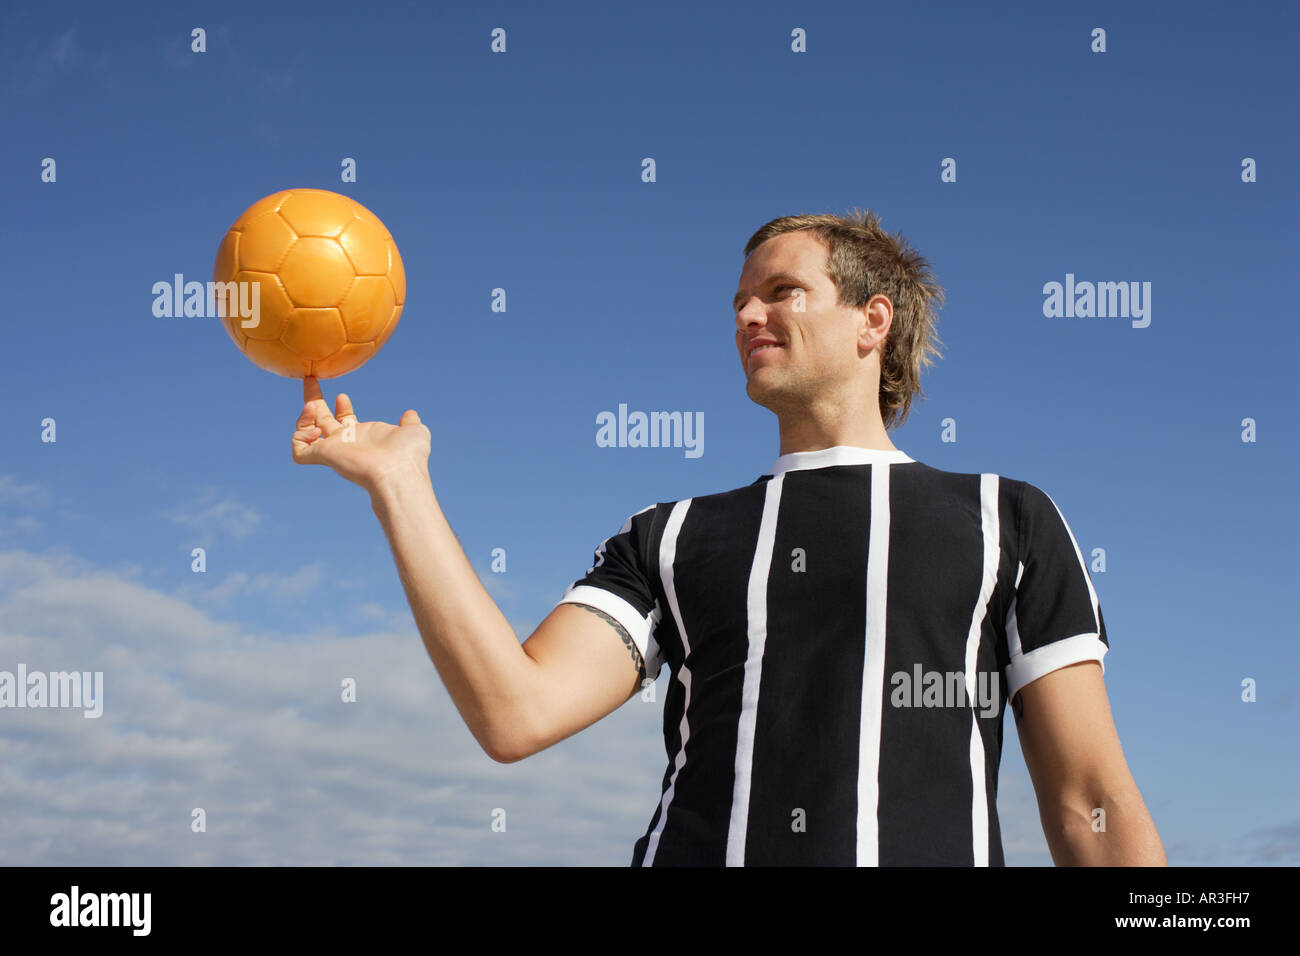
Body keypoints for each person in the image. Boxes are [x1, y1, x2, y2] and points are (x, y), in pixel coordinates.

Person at [290, 209, 1166, 866]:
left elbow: (1090, 801)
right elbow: (513, 713)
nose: (749, 315)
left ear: (874, 320)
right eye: (739, 300)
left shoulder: (1005, 518)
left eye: (783, 291)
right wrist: (401, 487)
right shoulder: (670, 535)